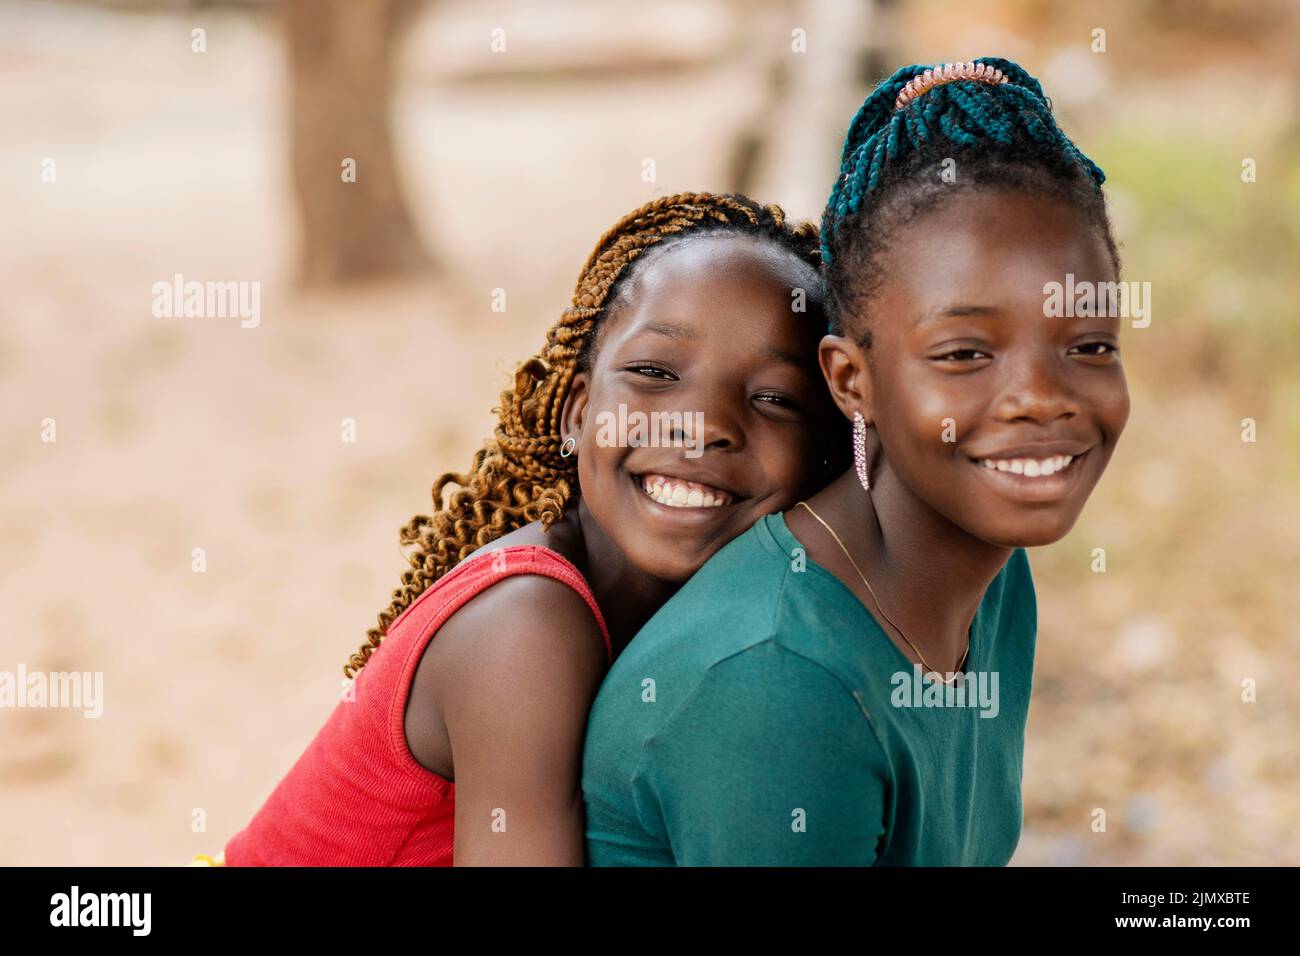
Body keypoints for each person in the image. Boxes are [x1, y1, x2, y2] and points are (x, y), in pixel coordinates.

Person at [582, 59, 1131, 865]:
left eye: (1087, 345)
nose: (1041, 399)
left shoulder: (995, 583)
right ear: (852, 380)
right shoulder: (777, 686)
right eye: (965, 352)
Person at [195, 193, 844, 866]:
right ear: (576, 411)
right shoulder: (526, 624)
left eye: (775, 398)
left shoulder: (727, 619)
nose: (704, 423)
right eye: (654, 373)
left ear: (827, 455)